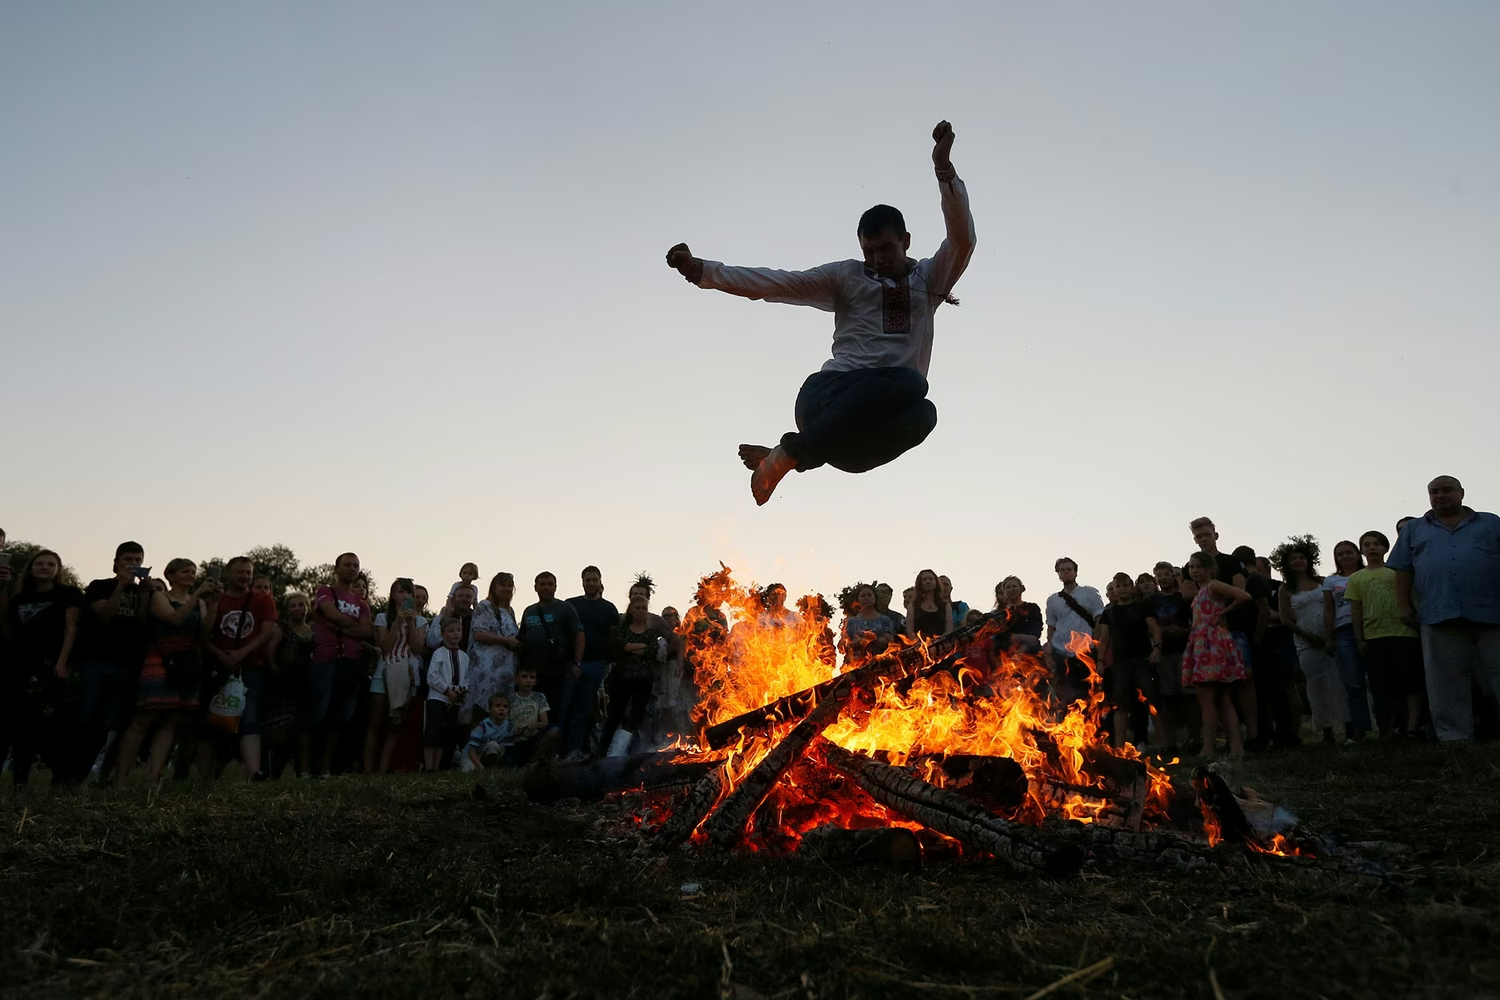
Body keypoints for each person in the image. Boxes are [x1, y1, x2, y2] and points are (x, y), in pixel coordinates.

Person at [665, 121, 975, 505]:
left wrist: (943, 169)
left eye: (886, 250)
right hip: (825, 399)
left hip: (855, 439)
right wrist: (703, 271)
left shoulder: (930, 279)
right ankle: (793, 452)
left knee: (924, 411)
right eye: (869, 251)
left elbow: (962, 240)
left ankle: (787, 455)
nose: (877, 260)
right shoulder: (845, 277)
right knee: (912, 383)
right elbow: (776, 283)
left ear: (906, 242)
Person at [1389, 475, 1500, 742]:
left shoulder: (1491, 522)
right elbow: (1403, 571)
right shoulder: (1414, 529)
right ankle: (1455, 738)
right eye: (1434, 491)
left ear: (1462, 493)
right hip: (1439, 612)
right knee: (1445, 680)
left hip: (1491, 610)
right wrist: (1404, 605)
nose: (1440, 495)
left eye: (1447, 490)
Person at [115, 559, 221, 785]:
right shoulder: (160, 597)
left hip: (187, 662)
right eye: (185, 571)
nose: (191, 575)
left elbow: (204, 630)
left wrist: (212, 604)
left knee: (171, 720)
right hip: (161, 660)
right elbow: (175, 619)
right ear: (170, 576)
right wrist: (197, 596)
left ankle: (153, 777)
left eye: (193, 572)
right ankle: (121, 778)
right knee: (144, 719)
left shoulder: (198, 601)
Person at [64, 541, 154, 785]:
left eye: (138, 560)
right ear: (116, 562)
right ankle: (71, 774)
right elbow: (105, 615)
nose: (134, 564)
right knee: (86, 718)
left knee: (111, 723)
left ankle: (96, 775)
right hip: (97, 661)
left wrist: (145, 595)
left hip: (128, 664)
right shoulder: (100, 586)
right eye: (128, 560)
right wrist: (121, 586)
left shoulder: (144, 591)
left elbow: (144, 625)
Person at [1, 549, 83, 784]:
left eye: (50, 564)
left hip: (51, 665)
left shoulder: (68, 594)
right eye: (39, 563)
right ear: (30, 568)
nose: (44, 567)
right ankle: (20, 780)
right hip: (20, 665)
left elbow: (71, 628)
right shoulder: (20, 598)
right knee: (21, 725)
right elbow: (7, 625)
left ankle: (59, 778)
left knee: (53, 723)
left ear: (58, 570)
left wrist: (62, 661)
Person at [204, 556, 280, 780]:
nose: (244, 576)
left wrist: (241, 653)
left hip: (250, 668)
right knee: (214, 721)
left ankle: (254, 771)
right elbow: (202, 632)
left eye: (248, 572)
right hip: (218, 667)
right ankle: (208, 773)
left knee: (250, 718)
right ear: (228, 574)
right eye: (240, 572)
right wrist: (221, 655)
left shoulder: (263, 600)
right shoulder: (217, 599)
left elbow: (266, 632)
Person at [1347, 530, 1426, 740]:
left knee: (1410, 683)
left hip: (1404, 632)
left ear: (1385, 548)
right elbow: (1356, 610)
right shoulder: (1356, 578)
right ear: (1361, 550)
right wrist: (1359, 638)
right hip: (1374, 636)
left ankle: (1412, 726)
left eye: (1376, 544)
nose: (1372, 547)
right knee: (1383, 687)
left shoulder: (1398, 572)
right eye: (1367, 544)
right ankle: (1389, 729)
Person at [302, 553, 374, 778]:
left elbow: (367, 631)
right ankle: (304, 769)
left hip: (351, 663)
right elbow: (330, 613)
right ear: (336, 568)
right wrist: (355, 627)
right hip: (325, 660)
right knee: (316, 715)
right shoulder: (325, 591)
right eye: (347, 564)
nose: (352, 569)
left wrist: (342, 628)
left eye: (356, 565)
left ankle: (325, 768)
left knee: (341, 718)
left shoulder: (361, 603)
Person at [1273, 539, 1348, 745]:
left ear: (1309, 559)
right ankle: (1327, 731)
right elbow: (1285, 619)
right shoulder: (1285, 589)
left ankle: (1349, 727)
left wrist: (1330, 635)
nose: (1298, 561)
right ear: (1286, 563)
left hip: (1331, 636)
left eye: (1301, 557)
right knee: (1317, 685)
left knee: (1340, 681)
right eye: (1293, 559)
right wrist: (1308, 636)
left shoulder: (1324, 581)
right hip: (1306, 642)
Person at [1182, 552, 1252, 758]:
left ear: (1209, 568)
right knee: (1222, 697)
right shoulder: (1200, 590)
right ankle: (1236, 747)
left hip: (1212, 643)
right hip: (1204, 641)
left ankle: (1209, 748)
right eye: (1192, 567)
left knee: (1207, 696)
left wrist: (1223, 613)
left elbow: (1244, 595)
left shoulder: (1213, 585)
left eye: (1198, 566)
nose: (1194, 570)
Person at [1231, 545, 1296, 749]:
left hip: (1262, 640)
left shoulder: (1254, 580)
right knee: (1263, 691)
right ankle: (1268, 733)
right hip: (1258, 640)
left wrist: (1257, 638)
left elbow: (1264, 611)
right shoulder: (1253, 580)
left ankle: (1283, 735)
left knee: (1272, 690)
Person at [367, 578, 426, 774]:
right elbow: (384, 647)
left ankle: (382, 770)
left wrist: (409, 624)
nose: (405, 596)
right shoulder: (383, 617)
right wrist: (397, 622)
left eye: (409, 593)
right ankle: (368, 770)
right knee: (375, 723)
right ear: (393, 595)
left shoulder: (421, 621)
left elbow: (417, 649)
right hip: (383, 671)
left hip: (406, 674)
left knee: (395, 724)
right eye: (401, 592)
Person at [562, 566, 620, 762]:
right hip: (572, 664)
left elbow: (614, 637)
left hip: (597, 665)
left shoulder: (609, 608)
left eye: (594, 580)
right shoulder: (571, 605)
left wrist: (608, 663)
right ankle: (559, 751)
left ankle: (577, 751)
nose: (591, 583)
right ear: (582, 581)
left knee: (585, 710)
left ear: (600, 581)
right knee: (564, 708)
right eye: (588, 580)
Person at [1096, 572, 1157, 748]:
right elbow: (1104, 638)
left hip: (1142, 659)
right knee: (1120, 705)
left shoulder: (1142, 607)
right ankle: (1120, 746)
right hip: (1120, 664)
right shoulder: (1109, 613)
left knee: (1149, 700)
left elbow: (1153, 628)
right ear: (1113, 590)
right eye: (1118, 586)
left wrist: (1157, 648)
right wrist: (1100, 660)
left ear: (1131, 587)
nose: (1121, 590)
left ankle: (1151, 741)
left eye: (1125, 586)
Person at [600, 596, 666, 757]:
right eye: (637, 608)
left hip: (643, 680)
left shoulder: (651, 633)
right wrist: (641, 647)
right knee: (615, 715)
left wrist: (631, 648)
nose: (641, 611)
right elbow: (621, 646)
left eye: (644, 608)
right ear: (631, 610)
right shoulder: (622, 630)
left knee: (637, 717)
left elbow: (652, 651)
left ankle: (625, 752)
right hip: (622, 678)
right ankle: (603, 753)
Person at [516, 572, 584, 729]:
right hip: (532, 673)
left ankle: (554, 750)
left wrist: (577, 663)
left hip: (557, 671)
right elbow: (522, 638)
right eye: (542, 584)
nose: (546, 587)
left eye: (549, 584)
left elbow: (579, 635)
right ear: (535, 587)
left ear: (555, 587)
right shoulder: (529, 611)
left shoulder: (565, 608)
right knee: (532, 713)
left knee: (555, 712)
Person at [1145, 561, 1196, 751]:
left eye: (1166, 574)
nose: (1163, 578)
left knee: (1189, 696)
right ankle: (1171, 742)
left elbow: (1195, 618)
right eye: (1159, 575)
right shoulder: (1151, 601)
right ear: (1156, 578)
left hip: (1184, 649)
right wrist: (1161, 632)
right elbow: (1148, 626)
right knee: (1167, 697)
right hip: (1163, 652)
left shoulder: (1182, 598)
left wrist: (1184, 630)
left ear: (1172, 576)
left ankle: (1193, 738)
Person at [1323, 540, 1371, 740]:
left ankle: (1390, 726)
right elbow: (1328, 610)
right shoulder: (1331, 581)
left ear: (1358, 554)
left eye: (1348, 552)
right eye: (1340, 554)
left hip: (1371, 626)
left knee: (1380, 680)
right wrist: (1328, 636)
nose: (1345, 557)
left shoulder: (1368, 573)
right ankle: (1360, 728)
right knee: (1353, 682)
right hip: (1344, 630)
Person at [1044, 558, 1104, 706]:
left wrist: (1095, 642)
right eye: (1061, 570)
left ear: (1075, 572)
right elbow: (1051, 626)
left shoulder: (1089, 593)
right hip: (1061, 649)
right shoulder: (1052, 600)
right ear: (1058, 574)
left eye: (1068, 569)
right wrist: (1051, 646)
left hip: (1085, 649)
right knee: (1065, 694)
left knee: (1088, 692)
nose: (1065, 572)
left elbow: (1100, 620)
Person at [470, 572, 522, 735]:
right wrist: (506, 640)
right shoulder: (485, 606)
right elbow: (479, 634)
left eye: (509, 586)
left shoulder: (510, 611)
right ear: (494, 587)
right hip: (486, 672)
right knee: (482, 714)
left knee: (501, 715)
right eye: (502, 585)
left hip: (506, 672)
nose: (505, 589)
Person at [424, 617, 470, 772]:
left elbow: (466, 678)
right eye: (451, 631)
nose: (455, 634)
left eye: (458, 630)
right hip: (437, 698)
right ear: (443, 635)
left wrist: (460, 692)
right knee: (433, 733)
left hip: (454, 701)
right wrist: (446, 690)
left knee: (445, 735)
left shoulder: (464, 657)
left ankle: (437, 767)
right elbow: (432, 676)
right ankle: (429, 766)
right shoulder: (439, 653)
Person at [506, 666, 555, 766]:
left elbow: (544, 722)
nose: (528, 680)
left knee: (554, 731)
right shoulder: (509, 698)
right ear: (516, 679)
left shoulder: (539, 697)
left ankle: (534, 760)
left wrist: (535, 724)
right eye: (524, 677)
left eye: (532, 677)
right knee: (509, 764)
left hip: (532, 737)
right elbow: (503, 721)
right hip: (514, 740)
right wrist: (514, 729)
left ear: (535, 681)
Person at [841, 584, 896, 669]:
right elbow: (845, 645)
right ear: (858, 600)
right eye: (863, 596)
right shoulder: (852, 622)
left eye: (869, 595)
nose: (866, 598)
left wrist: (874, 638)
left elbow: (891, 642)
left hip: (881, 663)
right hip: (858, 666)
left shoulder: (885, 620)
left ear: (875, 598)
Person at [993, 577, 1043, 656]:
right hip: (1006, 656)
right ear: (1004, 591)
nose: (1011, 589)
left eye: (1014, 586)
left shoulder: (1032, 608)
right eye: (1008, 587)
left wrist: (1017, 639)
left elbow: (1034, 636)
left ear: (1021, 589)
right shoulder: (1000, 614)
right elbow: (1000, 636)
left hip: (1030, 655)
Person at [464, 693, 514, 771]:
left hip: (491, 752)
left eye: (505, 706)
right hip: (473, 754)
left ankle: (491, 766)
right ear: (490, 710)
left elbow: (506, 749)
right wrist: (479, 766)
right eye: (498, 706)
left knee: (493, 745)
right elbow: (472, 750)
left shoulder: (509, 727)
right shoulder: (482, 726)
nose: (502, 709)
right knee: (469, 770)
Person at [907, 569, 953, 641]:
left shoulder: (946, 606)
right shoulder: (912, 606)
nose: (928, 581)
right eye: (924, 579)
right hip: (920, 647)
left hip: (941, 646)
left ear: (936, 582)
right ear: (920, 583)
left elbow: (949, 630)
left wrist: (938, 641)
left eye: (931, 579)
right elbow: (910, 631)